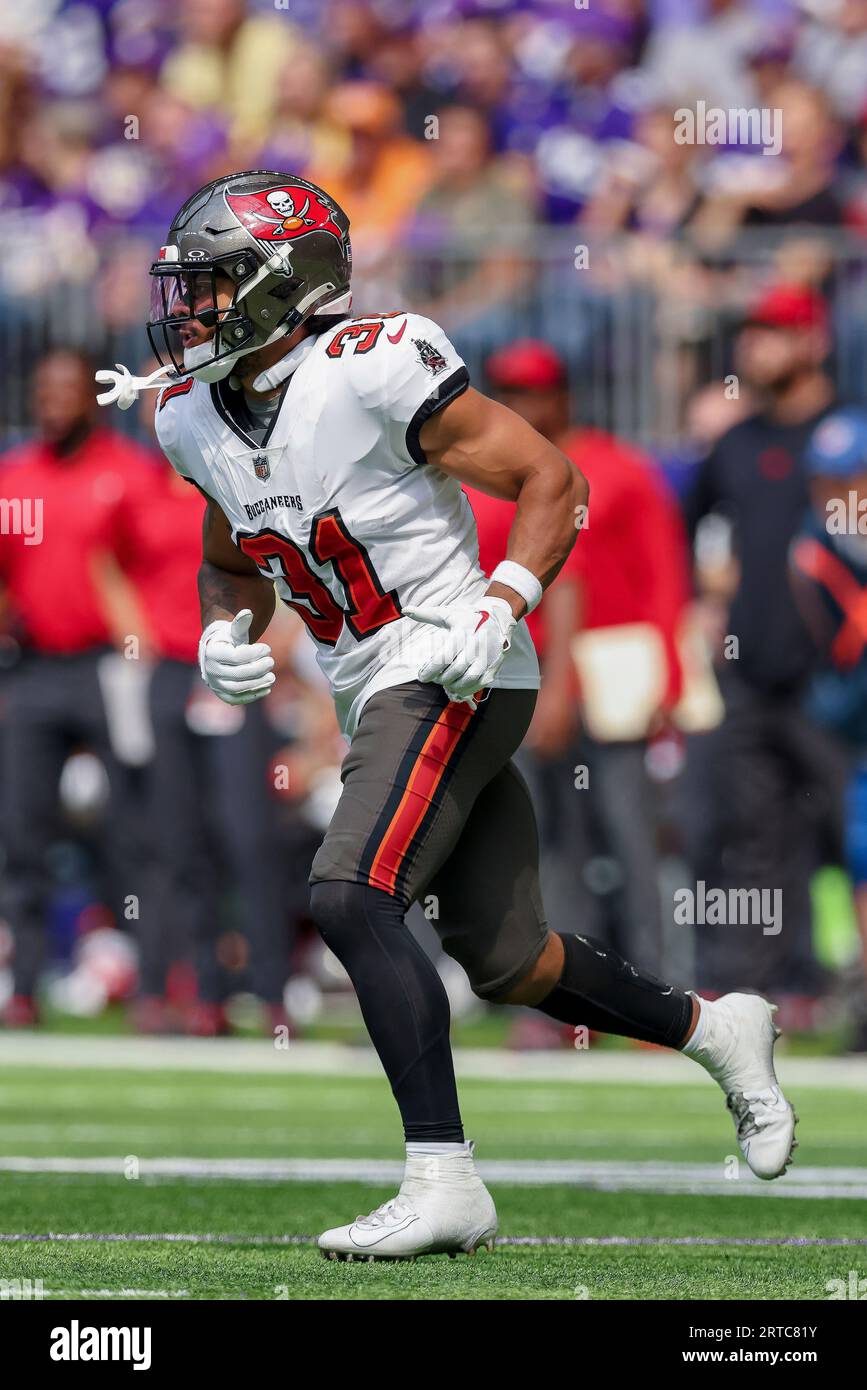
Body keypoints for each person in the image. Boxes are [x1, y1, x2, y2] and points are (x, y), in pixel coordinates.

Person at [98, 169, 796, 1261]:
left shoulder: (372, 367)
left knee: (347, 890)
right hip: (371, 678)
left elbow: (551, 480)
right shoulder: (188, 414)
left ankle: (443, 1177)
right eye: (189, 286)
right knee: (510, 956)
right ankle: (716, 1029)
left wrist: (501, 599)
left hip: (450, 661)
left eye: (218, 282)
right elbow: (233, 551)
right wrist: (222, 630)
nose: (190, 309)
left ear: (288, 286)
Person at [470, 339, 691, 975]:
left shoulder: (618, 467)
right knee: (545, 837)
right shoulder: (489, 474)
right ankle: (571, 988)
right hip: (522, 670)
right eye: (509, 391)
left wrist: (670, 674)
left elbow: (664, 572)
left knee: (629, 832)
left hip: (616, 668)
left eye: (533, 390)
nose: (521, 403)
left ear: (564, 394)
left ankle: (656, 984)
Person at [683, 283, 846, 1004]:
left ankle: (843, 988)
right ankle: (752, 995)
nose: (753, 346)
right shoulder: (737, 442)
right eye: (749, 332)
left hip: (840, 681)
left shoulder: (847, 434)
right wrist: (705, 603)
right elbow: (685, 525)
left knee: (849, 831)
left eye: (773, 332)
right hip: (750, 678)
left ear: (812, 342)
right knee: (751, 837)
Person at [0, 350, 157, 1025]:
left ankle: (151, 973)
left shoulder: (130, 473)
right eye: (43, 389)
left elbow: (154, 571)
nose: (53, 401)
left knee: (134, 824)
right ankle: (26, 982)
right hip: (35, 669)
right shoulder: (14, 476)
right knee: (23, 827)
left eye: (66, 388)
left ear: (93, 397)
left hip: (109, 667)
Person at [790, 407, 867, 1050]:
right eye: (831, 482)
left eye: (853, 480)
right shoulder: (815, 550)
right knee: (855, 860)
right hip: (854, 729)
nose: (840, 497)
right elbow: (843, 646)